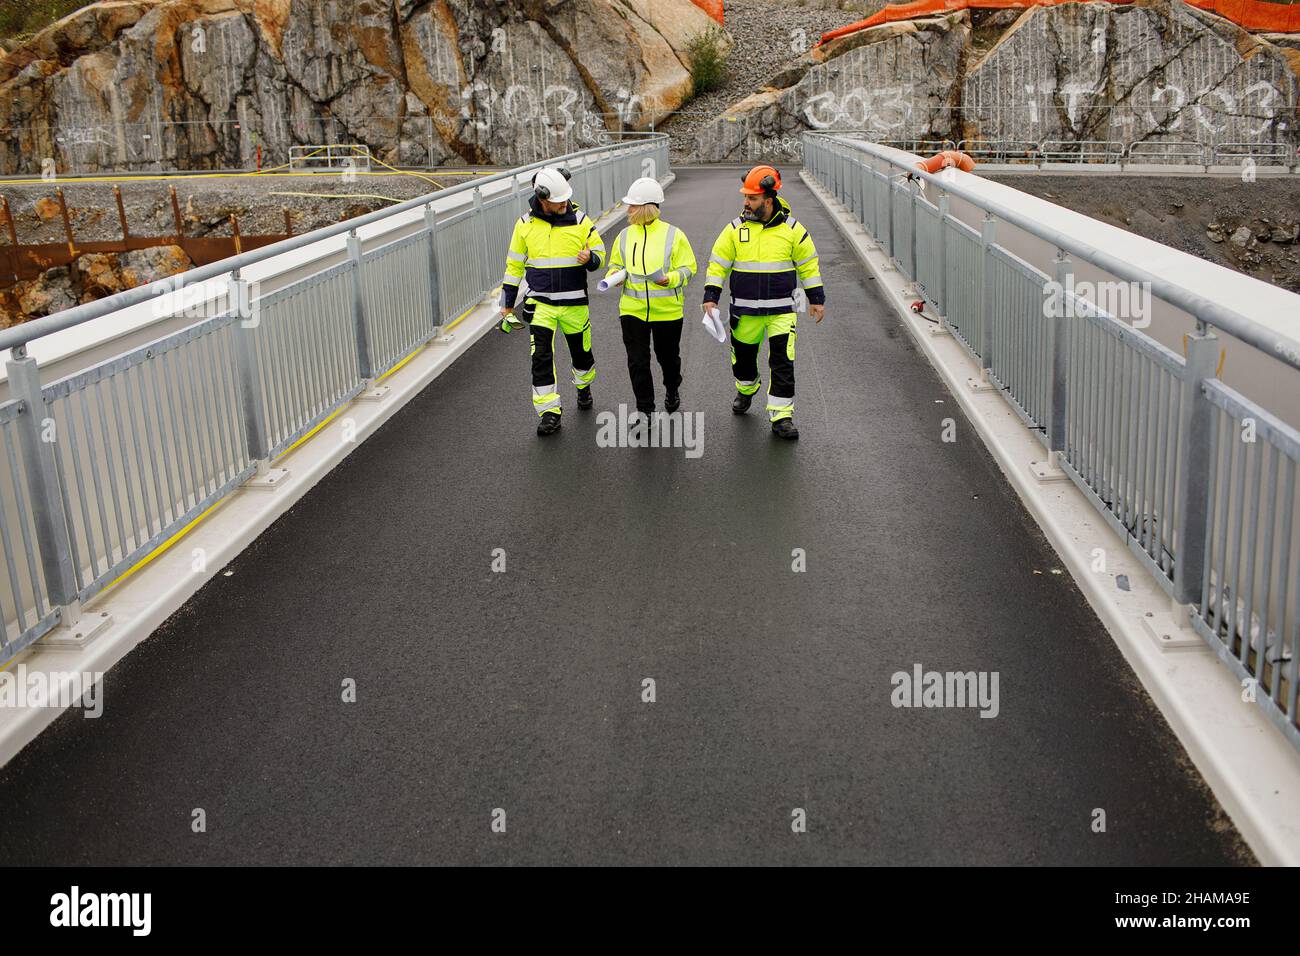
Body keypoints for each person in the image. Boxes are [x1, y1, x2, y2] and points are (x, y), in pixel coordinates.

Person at [701, 164, 825, 440]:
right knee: (743, 362)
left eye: (752, 198)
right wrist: (711, 297)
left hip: (782, 311)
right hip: (745, 312)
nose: (746, 202)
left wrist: (816, 299)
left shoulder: (794, 230)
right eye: (745, 197)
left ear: (768, 200)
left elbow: (809, 265)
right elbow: (717, 264)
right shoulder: (734, 230)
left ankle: (781, 416)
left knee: (783, 361)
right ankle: (747, 389)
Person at [499, 166, 606, 436]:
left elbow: (601, 253)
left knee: (582, 356)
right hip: (541, 305)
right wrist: (508, 302)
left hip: (574, 305)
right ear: (542, 198)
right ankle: (549, 412)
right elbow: (513, 266)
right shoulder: (524, 225)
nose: (563, 204)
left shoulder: (581, 221)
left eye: (564, 200)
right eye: (558, 201)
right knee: (541, 359)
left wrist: (591, 259)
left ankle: (583, 387)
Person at [604, 177, 696, 416]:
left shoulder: (675, 235)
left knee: (668, 359)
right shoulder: (624, 235)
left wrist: (671, 279)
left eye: (632, 205)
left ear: (646, 207)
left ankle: (672, 387)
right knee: (637, 362)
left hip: (667, 311)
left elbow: (689, 268)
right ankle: (645, 412)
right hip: (632, 310)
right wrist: (615, 274)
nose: (628, 209)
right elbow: (615, 263)